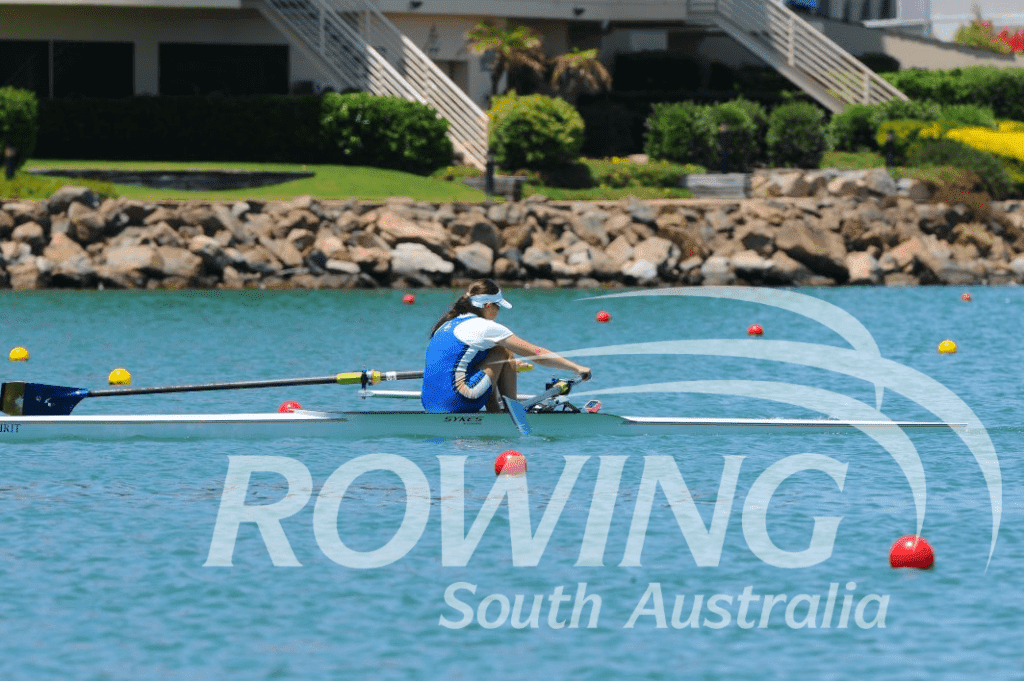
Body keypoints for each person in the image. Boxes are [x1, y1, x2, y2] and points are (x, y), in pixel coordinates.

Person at [422, 279, 591, 413]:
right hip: (460, 400)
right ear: (488, 306)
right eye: (498, 307)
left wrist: (507, 366)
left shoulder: (446, 325)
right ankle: (511, 413)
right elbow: (536, 353)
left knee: (494, 354)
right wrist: (577, 368)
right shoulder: (485, 326)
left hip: (429, 402)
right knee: (503, 351)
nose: (497, 312)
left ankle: (496, 412)